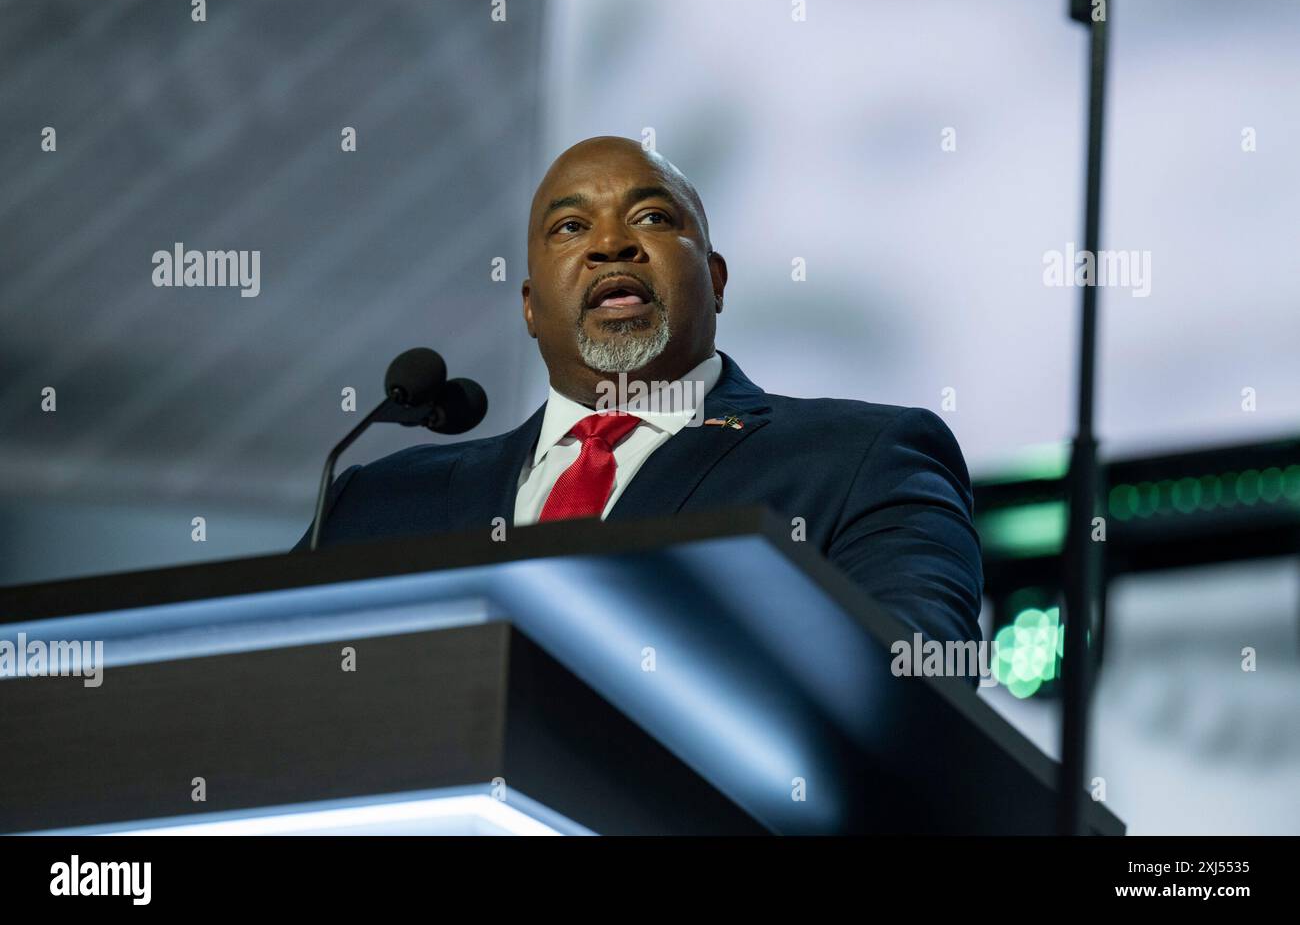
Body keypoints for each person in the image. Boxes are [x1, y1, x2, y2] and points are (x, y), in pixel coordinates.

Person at [294, 136, 983, 648]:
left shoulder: (861, 460)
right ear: (530, 307)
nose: (610, 245)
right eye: (570, 228)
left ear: (715, 280)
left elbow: (914, 687)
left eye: (652, 217)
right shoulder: (371, 507)